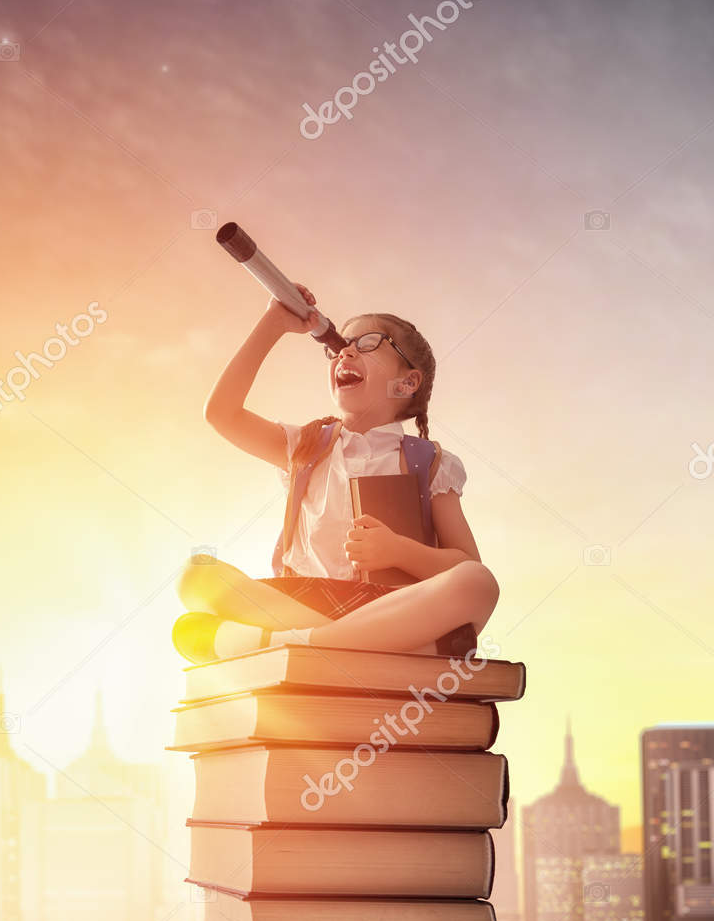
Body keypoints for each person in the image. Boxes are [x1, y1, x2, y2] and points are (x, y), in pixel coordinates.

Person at [175, 283, 498, 661]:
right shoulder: (305, 446)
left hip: (391, 608)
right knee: (197, 575)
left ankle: (293, 646)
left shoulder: (431, 463)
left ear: (407, 382)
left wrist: (399, 551)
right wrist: (273, 323)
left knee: (479, 584)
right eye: (339, 346)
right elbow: (221, 413)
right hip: (303, 604)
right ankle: (366, 645)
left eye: (368, 343)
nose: (345, 351)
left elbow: (465, 562)